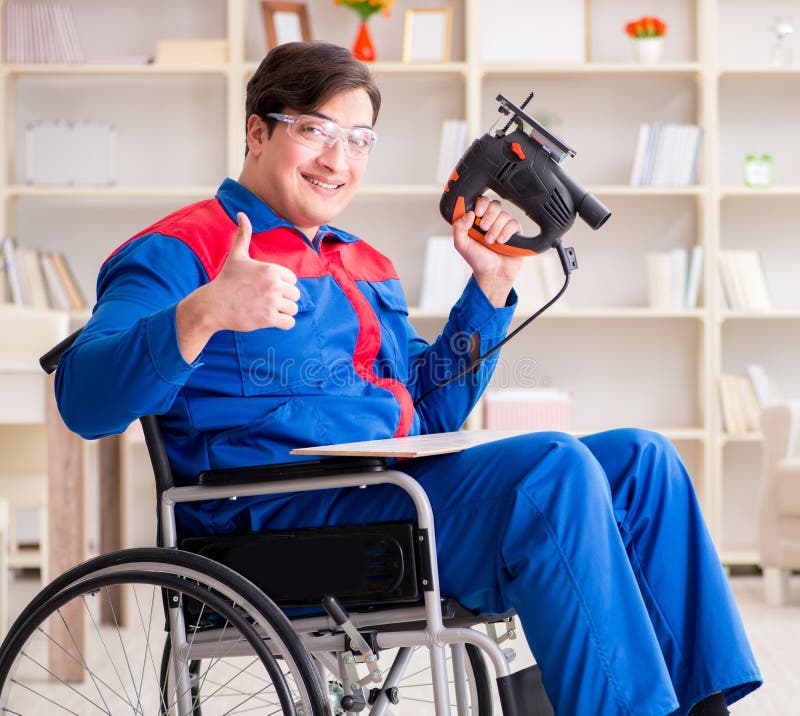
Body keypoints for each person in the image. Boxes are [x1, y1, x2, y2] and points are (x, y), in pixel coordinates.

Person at [55, 41, 761, 716]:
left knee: (644, 462)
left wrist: (487, 291)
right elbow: (84, 399)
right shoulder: (178, 251)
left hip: (389, 501)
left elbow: (429, 413)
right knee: (552, 470)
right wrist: (202, 311)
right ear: (257, 132)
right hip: (272, 533)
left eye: (360, 139)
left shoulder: (364, 262)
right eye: (316, 131)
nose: (339, 159)